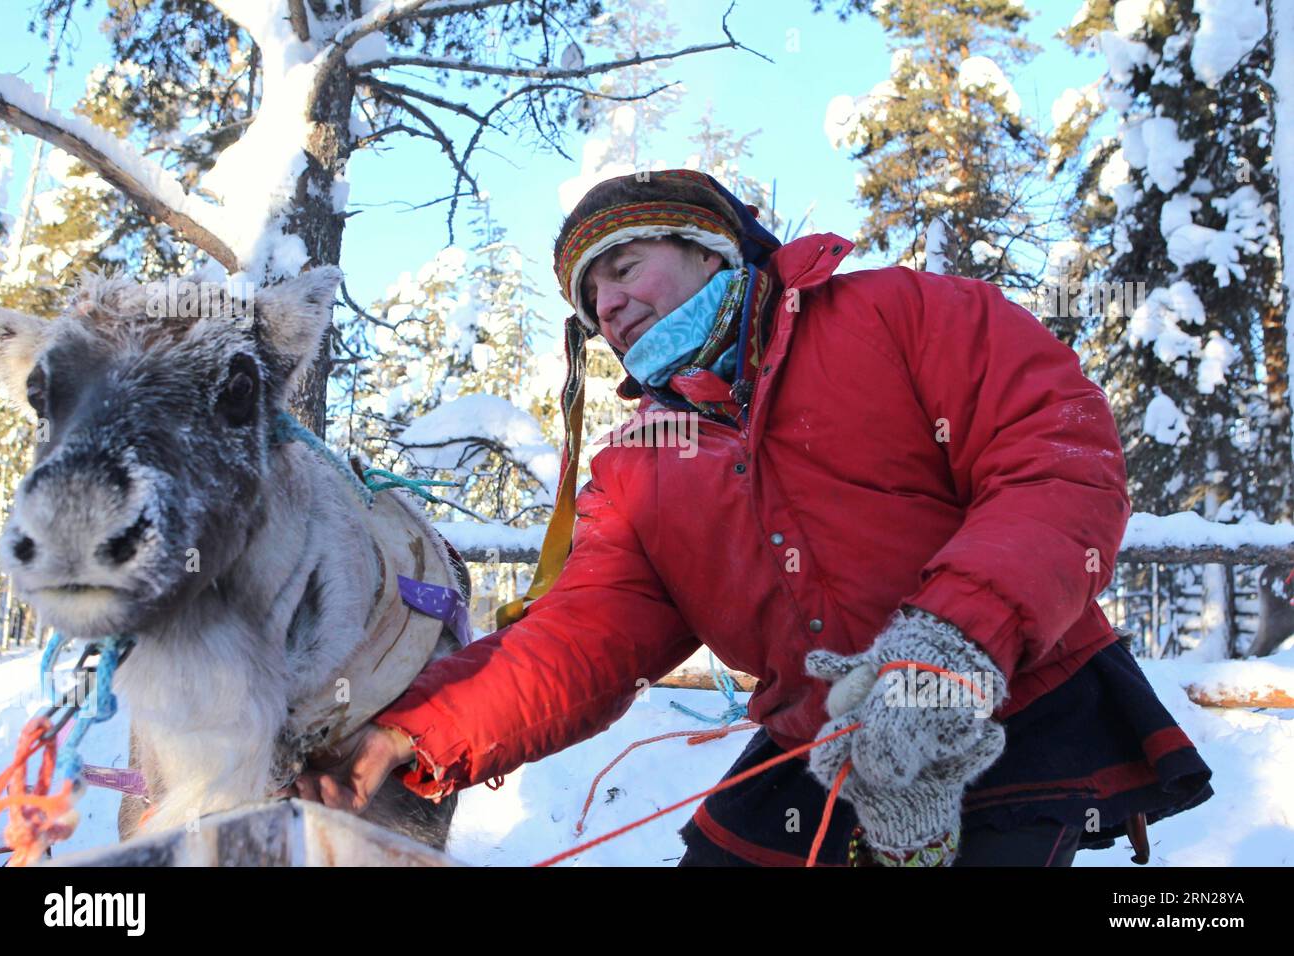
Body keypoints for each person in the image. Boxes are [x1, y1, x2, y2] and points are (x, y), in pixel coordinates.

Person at [290, 169, 1212, 866]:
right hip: (815, 746)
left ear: (712, 246)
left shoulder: (902, 314)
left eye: (624, 266)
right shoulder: (641, 464)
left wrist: (947, 650)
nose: (608, 305)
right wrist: (411, 732)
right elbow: (579, 638)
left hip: (1019, 705)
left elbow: (1056, 462)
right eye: (589, 301)